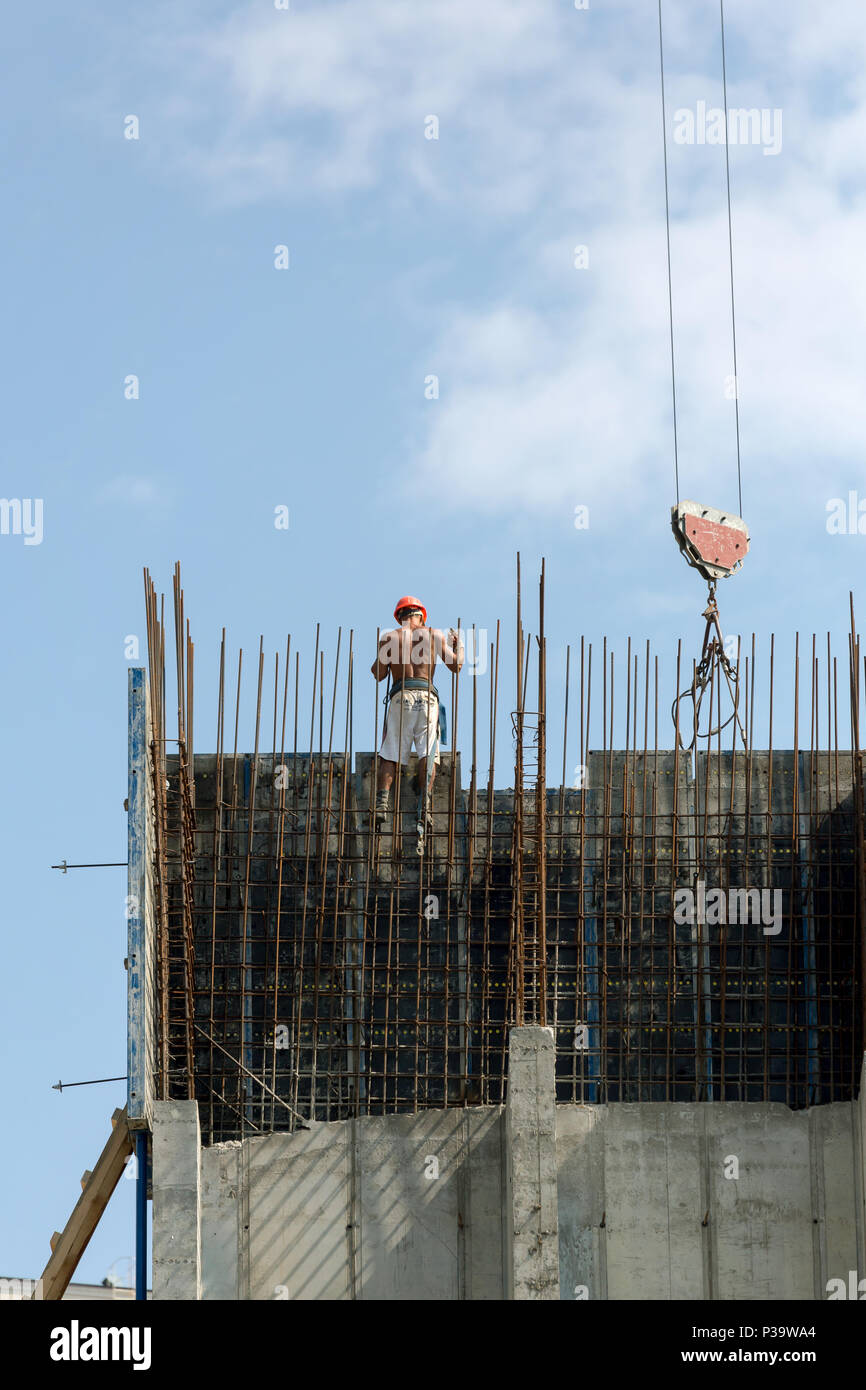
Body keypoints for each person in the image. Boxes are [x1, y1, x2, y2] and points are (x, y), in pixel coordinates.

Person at [371, 596, 463, 829]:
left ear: (399, 616)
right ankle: (424, 806)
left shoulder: (390, 637)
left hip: (401, 697)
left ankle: (382, 803)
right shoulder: (433, 634)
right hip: (427, 699)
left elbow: (379, 674)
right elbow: (457, 665)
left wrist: (382, 653)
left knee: (390, 753)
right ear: (421, 615)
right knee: (427, 754)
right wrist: (458, 645)